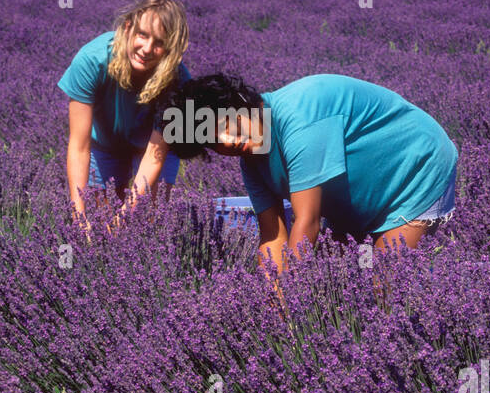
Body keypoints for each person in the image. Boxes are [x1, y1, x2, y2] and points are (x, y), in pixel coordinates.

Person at [163, 73, 458, 274]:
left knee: (385, 283)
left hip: (416, 168)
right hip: (358, 195)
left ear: (239, 103)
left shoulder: (299, 119)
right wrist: (271, 301)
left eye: (224, 125)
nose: (228, 141)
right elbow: (272, 236)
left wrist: (290, 298)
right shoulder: (252, 163)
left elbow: (308, 221)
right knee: (339, 281)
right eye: (214, 141)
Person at [58, 0, 191, 225]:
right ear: (127, 27)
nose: (147, 49)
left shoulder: (178, 81)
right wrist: (78, 216)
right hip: (104, 143)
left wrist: (126, 215)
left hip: (153, 147)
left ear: (170, 49)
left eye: (159, 43)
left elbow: (154, 155)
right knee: (99, 221)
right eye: (142, 34)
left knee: (150, 219)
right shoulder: (92, 60)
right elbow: (79, 147)